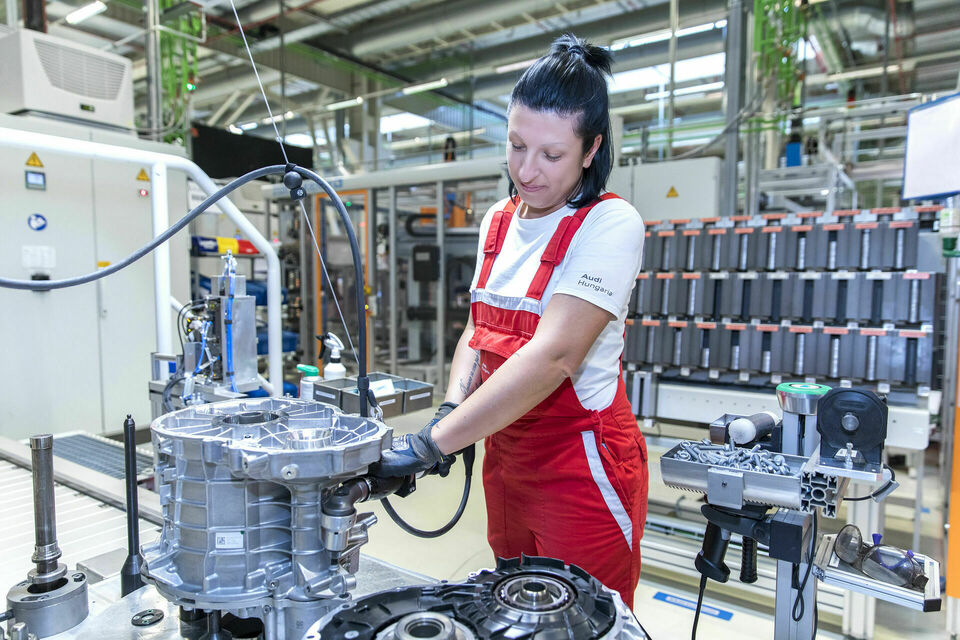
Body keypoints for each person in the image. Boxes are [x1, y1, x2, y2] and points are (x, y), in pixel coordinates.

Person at [374, 34, 648, 608]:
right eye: (517, 145)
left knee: (588, 615)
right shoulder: (498, 220)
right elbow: (477, 332)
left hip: (582, 464)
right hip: (506, 455)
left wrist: (428, 445)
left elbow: (554, 357)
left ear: (591, 149)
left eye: (551, 155)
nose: (527, 170)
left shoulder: (610, 224)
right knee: (514, 607)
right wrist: (452, 408)